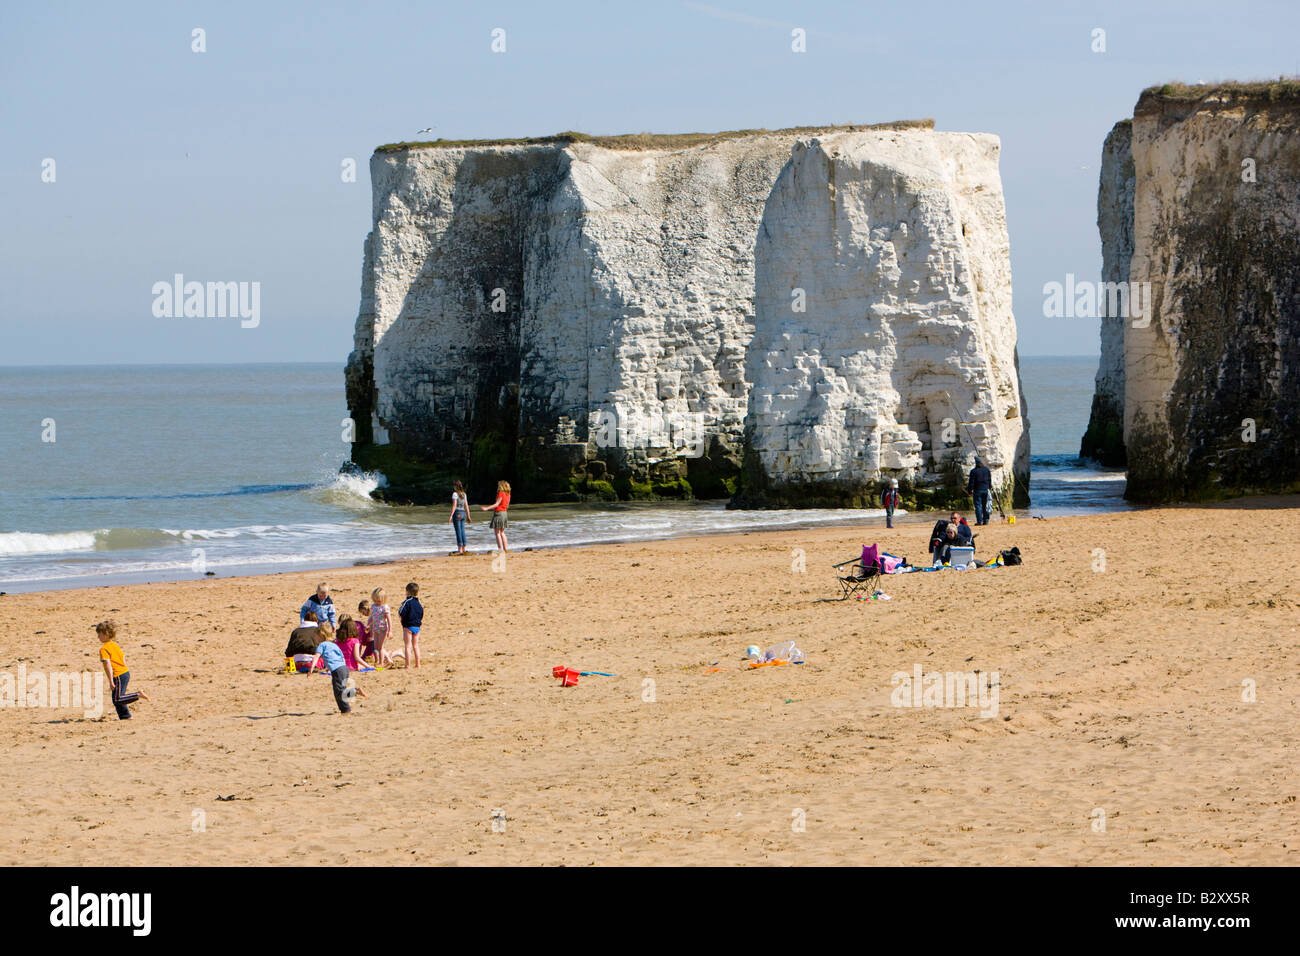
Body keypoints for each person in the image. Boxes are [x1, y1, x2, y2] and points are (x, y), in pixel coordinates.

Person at [306, 623, 367, 715]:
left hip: (337, 671)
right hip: (343, 668)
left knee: (339, 692)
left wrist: (311, 668)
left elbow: (316, 657)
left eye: (315, 635)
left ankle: (350, 702)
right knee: (338, 691)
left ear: (320, 635)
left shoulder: (322, 645)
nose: (314, 637)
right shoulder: (334, 645)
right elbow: (340, 656)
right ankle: (344, 709)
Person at [96, 620, 149, 720]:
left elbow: (107, 665)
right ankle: (125, 716)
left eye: (99, 634)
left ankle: (137, 695)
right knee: (118, 696)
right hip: (125, 672)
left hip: (118, 675)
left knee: (117, 699)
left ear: (106, 634)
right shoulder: (115, 645)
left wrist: (111, 681)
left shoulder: (104, 649)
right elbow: (123, 657)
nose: (98, 637)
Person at [480, 480, 511, 553]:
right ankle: (505, 548)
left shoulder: (501, 493)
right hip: (504, 513)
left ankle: (500, 549)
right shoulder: (508, 494)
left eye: (499, 486)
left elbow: (496, 504)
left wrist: (486, 508)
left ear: (501, 486)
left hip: (499, 513)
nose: (498, 487)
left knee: (497, 532)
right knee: (502, 532)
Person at [399, 582, 423, 669]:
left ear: (408, 592)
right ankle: (418, 664)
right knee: (416, 646)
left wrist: (402, 619)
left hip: (408, 626)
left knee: (408, 646)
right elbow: (421, 613)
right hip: (417, 626)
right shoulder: (418, 603)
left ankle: (408, 665)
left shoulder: (407, 602)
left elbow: (401, 612)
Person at [368, 587, 395, 666]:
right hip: (375, 628)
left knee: (380, 647)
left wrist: (390, 631)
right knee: (375, 647)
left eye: (378, 601)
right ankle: (378, 660)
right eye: (375, 600)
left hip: (383, 628)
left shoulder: (384, 607)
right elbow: (372, 616)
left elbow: (389, 619)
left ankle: (381, 662)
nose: (376, 602)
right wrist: (368, 624)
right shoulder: (373, 606)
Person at [967, 458, 993, 526]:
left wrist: (969, 491)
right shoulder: (987, 470)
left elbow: (971, 482)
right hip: (986, 490)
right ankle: (986, 521)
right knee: (986, 505)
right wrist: (989, 487)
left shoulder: (973, 471)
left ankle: (979, 521)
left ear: (976, 463)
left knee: (978, 506)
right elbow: (989, 480)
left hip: (977, 490)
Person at [448, 480, 471, 555]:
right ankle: (464, 548)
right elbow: (466, 506)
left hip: (457, 513)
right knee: (462, 530)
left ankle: (460, 549)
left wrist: (451, 515)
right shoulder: (464, 494)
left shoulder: (455, 494)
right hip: (463, 513)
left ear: (455, 486)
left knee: (458, 531)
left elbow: (454, 505)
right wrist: (468, 516)